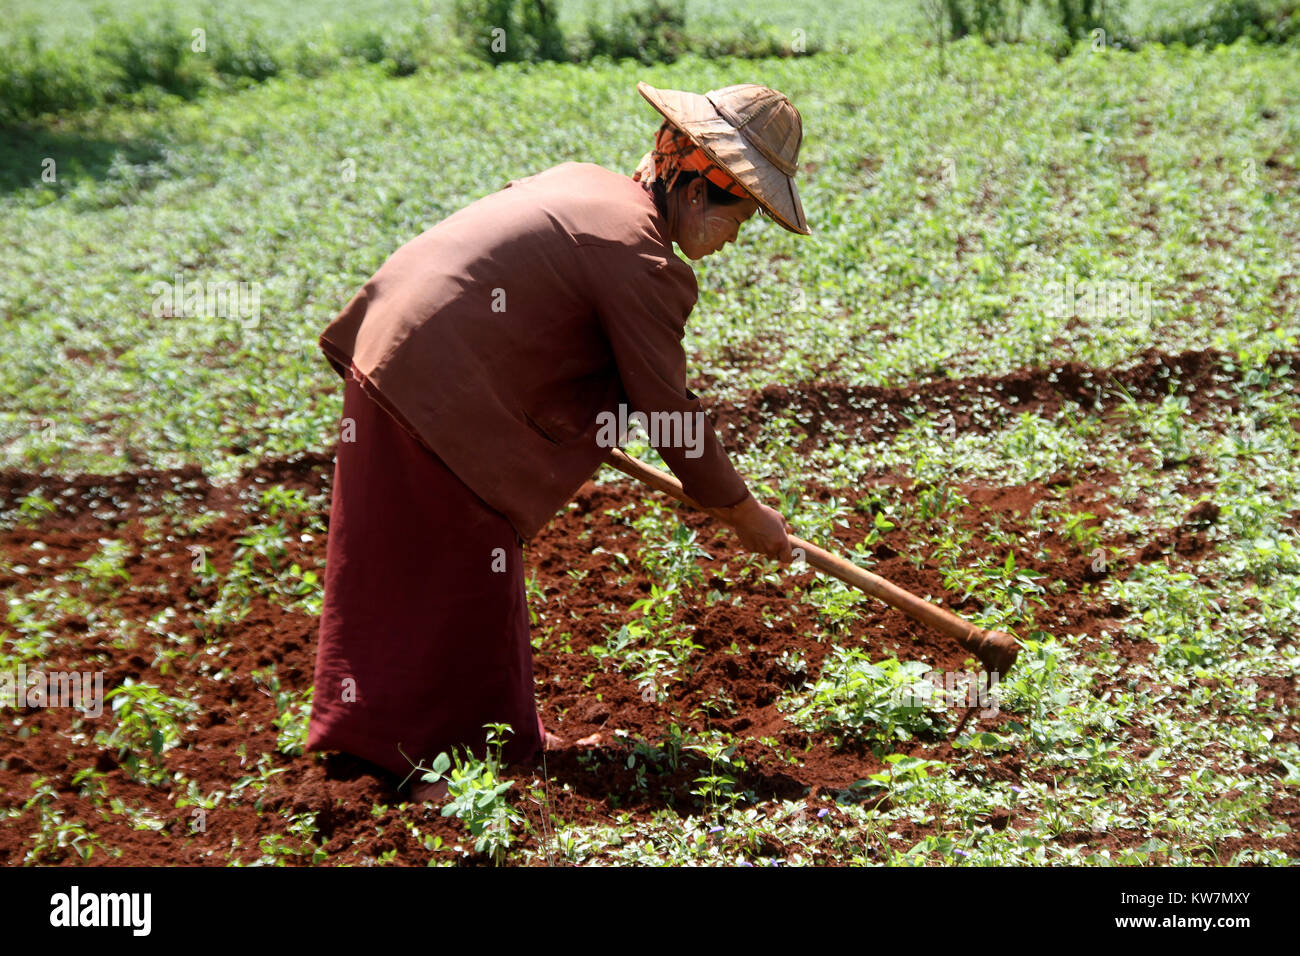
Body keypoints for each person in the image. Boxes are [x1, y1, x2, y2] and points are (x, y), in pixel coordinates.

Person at [306, 81, 811, 802]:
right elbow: (668, 411)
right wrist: (741, 511)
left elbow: (552, 335)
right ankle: (424, 770)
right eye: (744, 215)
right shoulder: (639, 255)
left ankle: (459, 743)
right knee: (453, 574)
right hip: (437, 385)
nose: (736, 238)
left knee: (419, 567)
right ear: (702, 188)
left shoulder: (588, 187)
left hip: (395, 352)